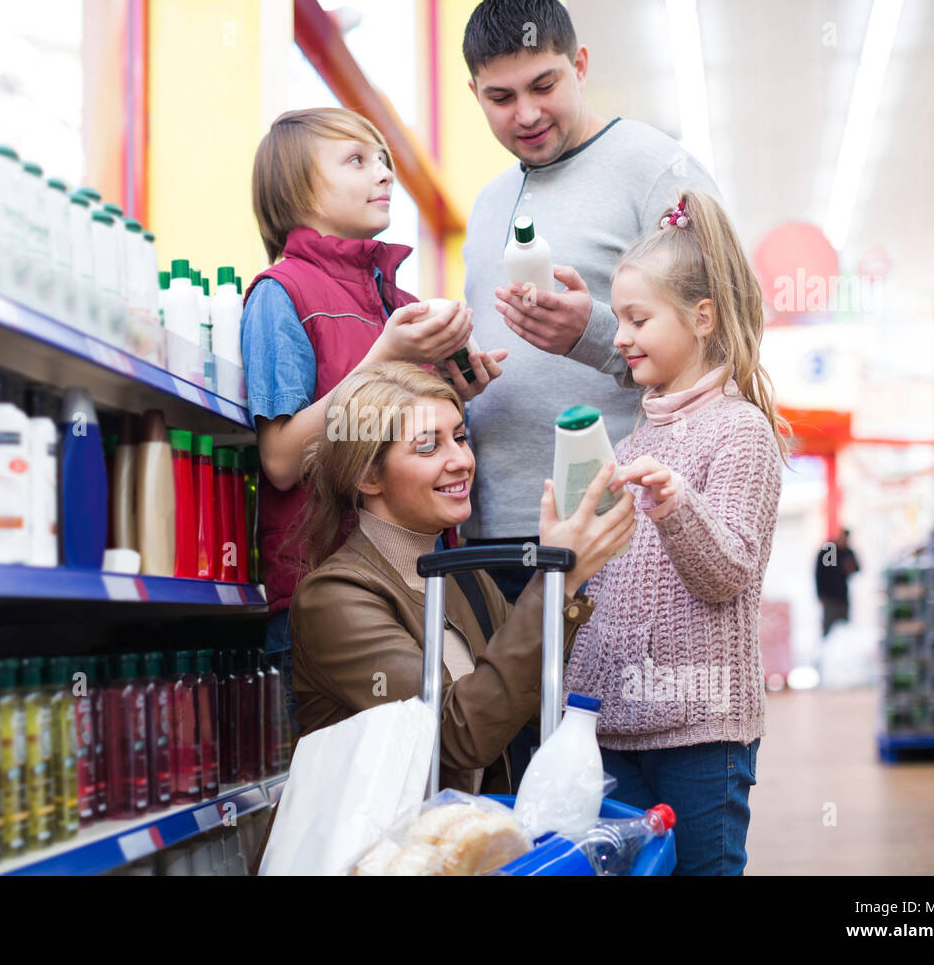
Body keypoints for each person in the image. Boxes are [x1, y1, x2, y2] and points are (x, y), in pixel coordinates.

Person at [240, 108, 508, 728]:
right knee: (354, 795)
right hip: (331, 592)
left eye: (383, 158)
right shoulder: (281, 295)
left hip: (426, 585)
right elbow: (280, 461)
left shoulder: (401, 302)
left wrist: (460, 389)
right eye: (357, 160)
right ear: (295, 189)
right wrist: (384, 357)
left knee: (438, 784)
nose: (384, 173)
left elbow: (397, 438)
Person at [457, 0, 722, 604]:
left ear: (579, 65)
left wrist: (596, 337)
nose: (524, 114)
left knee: (608, 704)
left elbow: (726, 337)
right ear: (475, 95)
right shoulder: (488, 202)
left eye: (543, 86)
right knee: (512, 707)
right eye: (500, 97)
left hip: (617, 526)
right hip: (493, 534)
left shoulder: (659, 172)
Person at [563, 189, 789, 875]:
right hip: (614, 729)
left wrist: (677, 504)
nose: (620, 335)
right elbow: (602, 584)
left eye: (637, 318)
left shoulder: (741, 430)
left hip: (702, 734)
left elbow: (728, 574)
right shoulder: (632, 440)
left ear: (701, 318)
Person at [289, 361, 635, 792]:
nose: (461, 461)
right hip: (374, 854)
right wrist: (557, 580)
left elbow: (527, 702)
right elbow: (455, 736)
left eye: (459, 438)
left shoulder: (464, 579)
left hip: (456, 844)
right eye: (428, 447)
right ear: (368, 476)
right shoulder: (333, 599)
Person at [815, 528, 860, 638]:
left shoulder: (847, 552)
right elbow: (819, 573)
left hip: (842, 596)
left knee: (843, 629)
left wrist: (850, 566)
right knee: (828, 630)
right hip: (829, 597)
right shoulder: (829, 550)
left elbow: (857, 568)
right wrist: (820, 593)